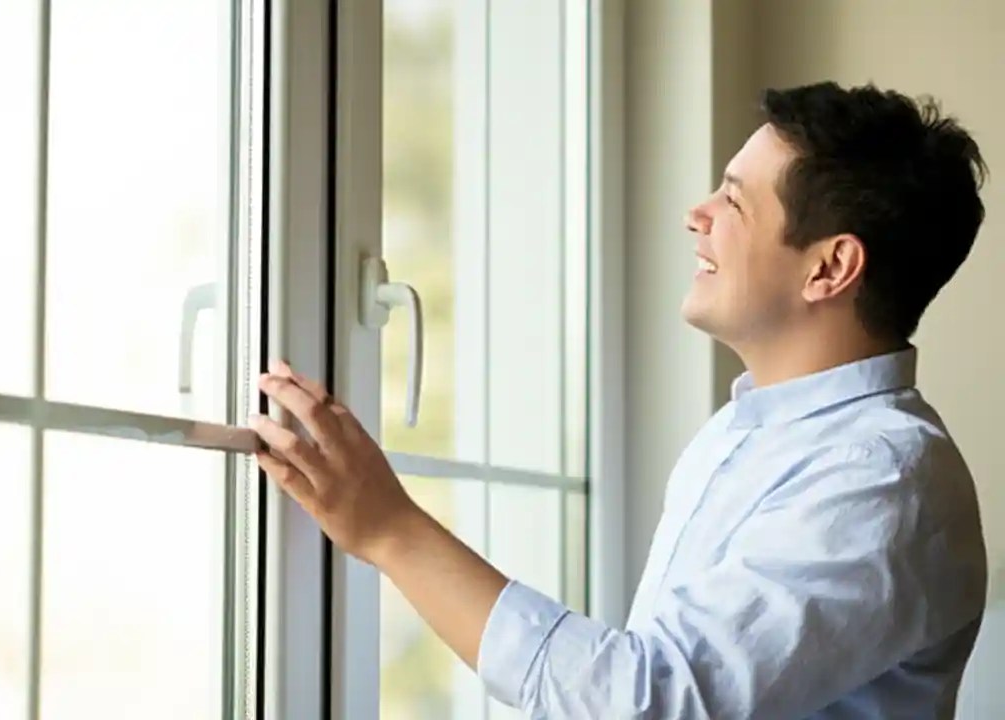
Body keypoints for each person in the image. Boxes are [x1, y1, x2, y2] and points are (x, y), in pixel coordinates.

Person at [248, 81, 990, 718]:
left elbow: (646, 701)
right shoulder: (744, 432)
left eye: (734, 201)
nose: (697, 214)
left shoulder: (881, 479)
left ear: (830, 267)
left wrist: (391, 531)